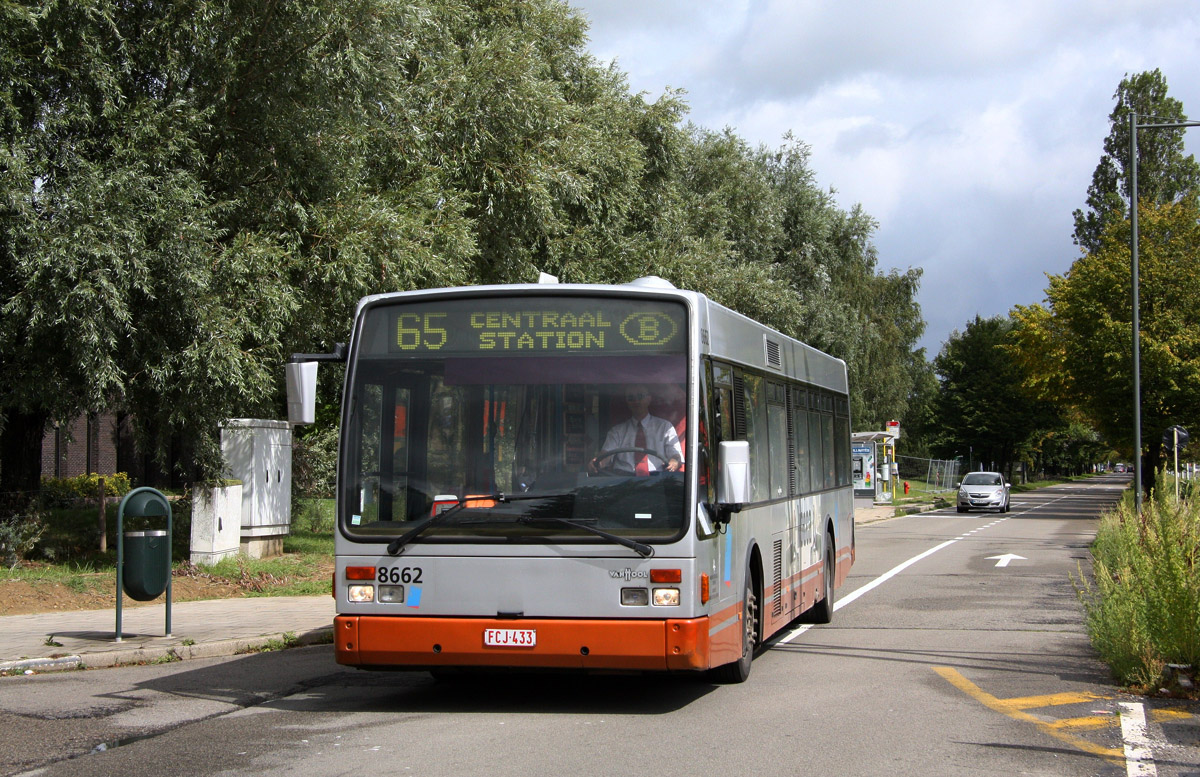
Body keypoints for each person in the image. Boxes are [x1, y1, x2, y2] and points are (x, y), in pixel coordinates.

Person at [589, 385, 682, 475]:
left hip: (657, 480)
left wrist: (674, 461)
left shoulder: (665, 427)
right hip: (622, 481)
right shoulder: (617, 431)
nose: (636, 401)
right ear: (627, 402)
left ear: (649, 399)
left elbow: (675, 455)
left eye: (640, 396)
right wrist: (598, 462)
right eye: (631, 398)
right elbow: (606, 454)